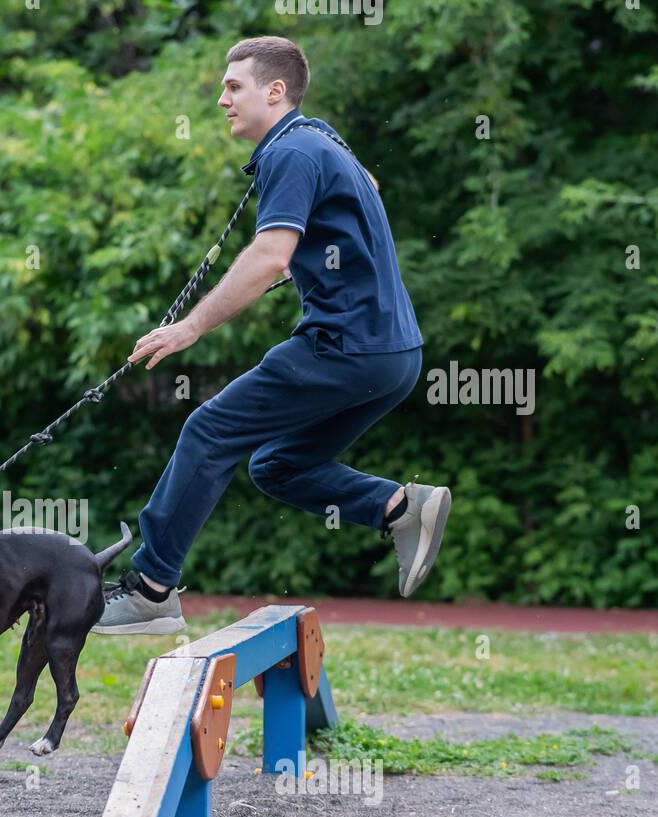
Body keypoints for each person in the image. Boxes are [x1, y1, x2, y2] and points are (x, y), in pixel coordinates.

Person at [94, 34, 450, 635]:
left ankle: (152, 587)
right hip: (395, 356)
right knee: (277, 466)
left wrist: (190, 326)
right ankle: (398, 507)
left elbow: (268, 258)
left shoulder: (293, 153)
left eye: (234, 87)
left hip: (345, 345)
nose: (221, 100)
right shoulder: (321, 139)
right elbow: (368, 186)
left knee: (209, 430)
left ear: (275, 90)